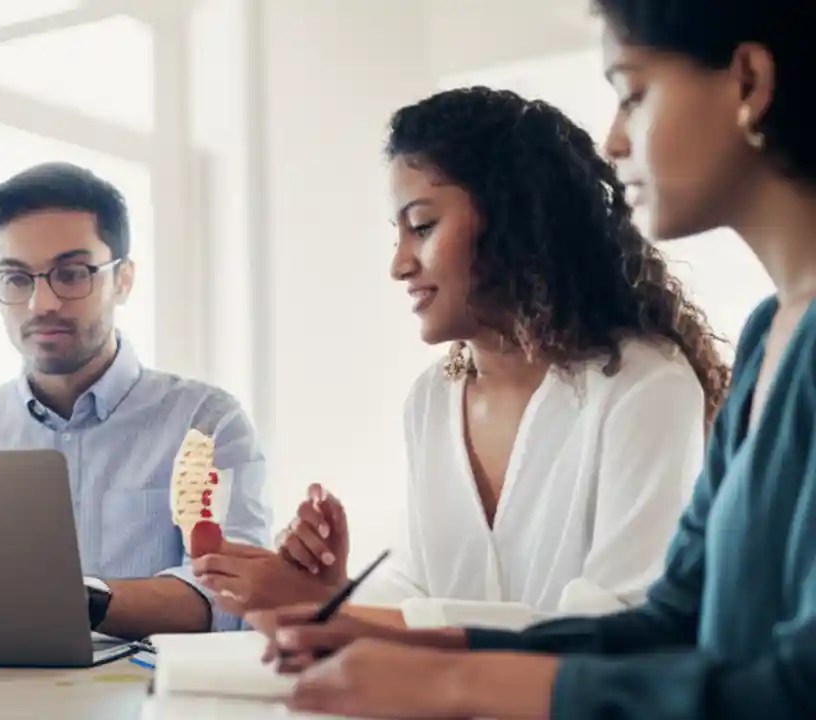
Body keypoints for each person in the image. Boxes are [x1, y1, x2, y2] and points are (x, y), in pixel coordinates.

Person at [250, 1, 816, 717]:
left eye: (633, 92)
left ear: (748, 81)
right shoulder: (773, 333)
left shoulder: (660, 377)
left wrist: (455, 684)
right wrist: (377, 635)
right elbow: (671, 621)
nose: (613, 140)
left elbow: (797, 685)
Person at [192, 86, 729, 630]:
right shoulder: (432, 400)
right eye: (398, 234)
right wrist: (330, 593)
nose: (400, 264)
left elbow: (615, 629)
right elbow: (423, 589)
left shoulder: (644, 387)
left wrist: (339, 616)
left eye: (422, 226)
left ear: (514, 221)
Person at [0, 162, 272, 640]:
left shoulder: (205, 421)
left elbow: (232, 597)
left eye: (71, 274)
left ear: (123, 279)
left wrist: (70, 598)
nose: (41, 304)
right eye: (16, 278)